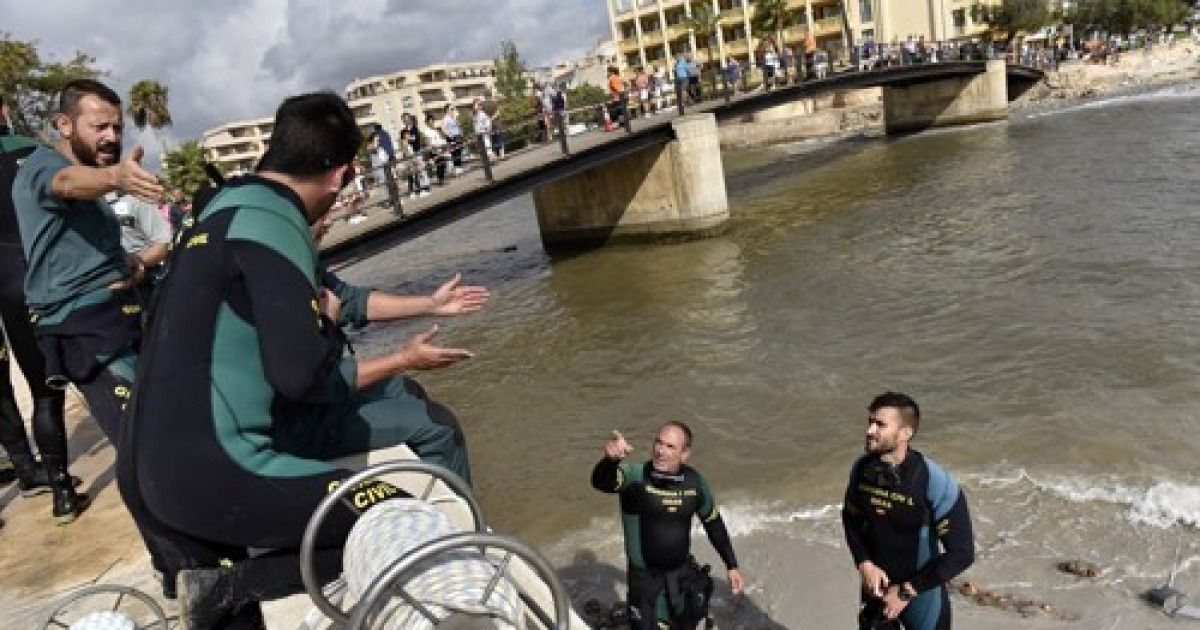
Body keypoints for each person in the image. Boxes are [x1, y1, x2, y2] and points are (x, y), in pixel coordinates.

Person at [123, 91, 482, 627]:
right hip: (218, 472)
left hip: (150, 466)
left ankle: (222, 588)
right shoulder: (275, 223)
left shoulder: (219, 209)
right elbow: (301, 376)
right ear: (340, 175)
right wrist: (367, 343)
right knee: (401, 516)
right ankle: (232, 585)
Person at [10, 79, 164, 523]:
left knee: (166, 429)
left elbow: (90, 248)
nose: (112, 138)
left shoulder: (91, 189)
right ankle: (178, 564)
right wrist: (116, 177)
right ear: (63, 124)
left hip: (126, 315)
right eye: (99, 127)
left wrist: (131, 265)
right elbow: (67, 182)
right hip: (87, 330)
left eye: (117, 128)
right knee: (144, 447)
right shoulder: (42, 168)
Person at [0, 93, 75, 521]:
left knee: (41, 392)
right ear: (5, 112)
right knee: (67, 382)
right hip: (39, 275)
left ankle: (58, 489)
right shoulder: (31, 154)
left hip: (4, 287)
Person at [841, 392, 974, 630]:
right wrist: (865, 564)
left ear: (905, 433)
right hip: (875, 590)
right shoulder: (862, 470)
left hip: (921, 599)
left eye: (880, 424)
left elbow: (962, 553)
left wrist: (905, 592)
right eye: (870, 422)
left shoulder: (934, 482)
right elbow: (850, 520)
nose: (870, 430)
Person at [592, 423, 745, 630]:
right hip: (645, 582)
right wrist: (610, 461)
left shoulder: (694, 483)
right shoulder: (637, 476)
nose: (660, 451)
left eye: (670, 447)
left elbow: (713, 522)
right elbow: (602, 482)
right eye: (658, 443)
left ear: (685, 454)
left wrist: (731, 565)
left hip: (680, 576)